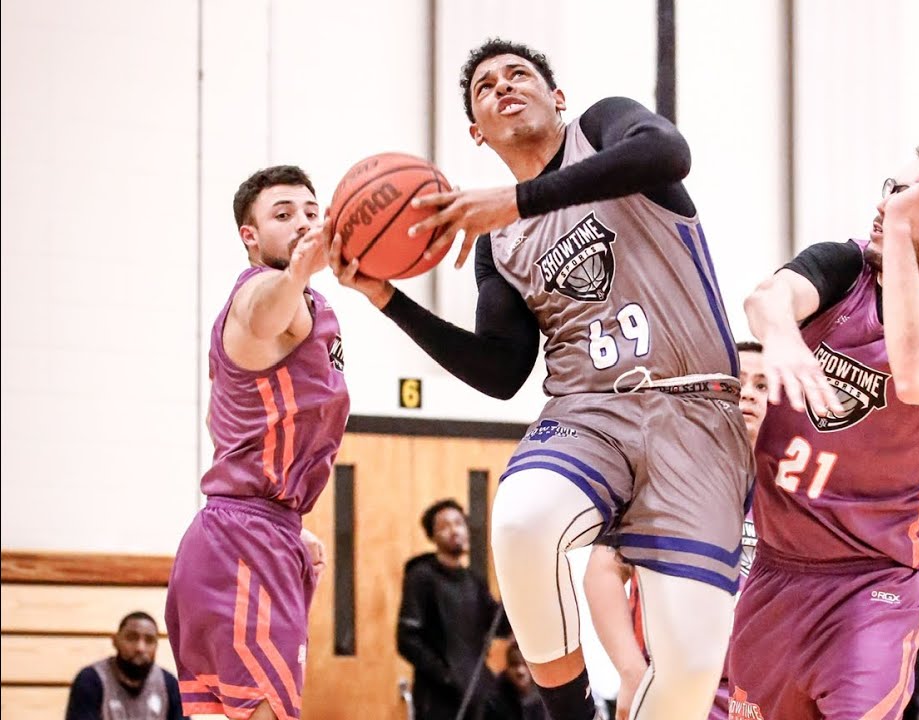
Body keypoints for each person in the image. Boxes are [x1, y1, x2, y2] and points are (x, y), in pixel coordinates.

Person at [329, 38, 752, 720]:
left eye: (518, 74)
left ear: (557, 98)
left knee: (690, 669)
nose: (503, 86)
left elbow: (669, 153)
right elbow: (501, 371)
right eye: (485, 88)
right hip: (589, 414)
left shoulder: (605, 130)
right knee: (523, 520)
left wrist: (521, 199)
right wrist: (386, 298)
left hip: (697, 412)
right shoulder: (497, 245)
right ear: (477, 132)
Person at [728, 139, 919, 719]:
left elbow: (918, 378)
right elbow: (767, 297)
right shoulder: (843, 266)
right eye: (892, 188)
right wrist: (782, 339)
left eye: (913, 198)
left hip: (873, 585)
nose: (889, 205)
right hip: (776, 573)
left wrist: (902, 240)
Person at [167, 165, 348, 720]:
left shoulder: (307, 306)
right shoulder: (260, 296)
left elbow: (217, 422)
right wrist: (297, 270)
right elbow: (265, 312)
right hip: (246, 548)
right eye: (284, 214)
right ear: (250, 236)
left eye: (312, 212)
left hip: (245, 534)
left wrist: (285, 512)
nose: (303, 223)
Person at [583, 341, 767, 720]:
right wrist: (631, 672)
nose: (748, 393)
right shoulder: (670, 474)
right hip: (675, 687)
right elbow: (602, 570)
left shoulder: (800, 493)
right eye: (738, 384)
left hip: (766, 688)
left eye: (763, 386)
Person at [398, 498, 509, 720]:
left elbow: (500, 627)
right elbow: (407, 640)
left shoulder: (474, 582)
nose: (454, 530)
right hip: (437, 700)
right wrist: (447, 676)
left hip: (477, 697)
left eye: (459, 523)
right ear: (432, 536)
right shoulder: (421, 577)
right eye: (444, 526)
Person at [65, 611, 185, 720]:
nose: (140, 648)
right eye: (132, 638)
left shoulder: (169, 685)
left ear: (156, 646)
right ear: (115, 641)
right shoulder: (91, 680)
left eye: (149, 640)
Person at [486, 644, 551, 720]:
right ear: (507, 669)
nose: (520, 671)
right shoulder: (495, 701)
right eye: (514, 664)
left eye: (526, 664)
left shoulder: (546, 696)